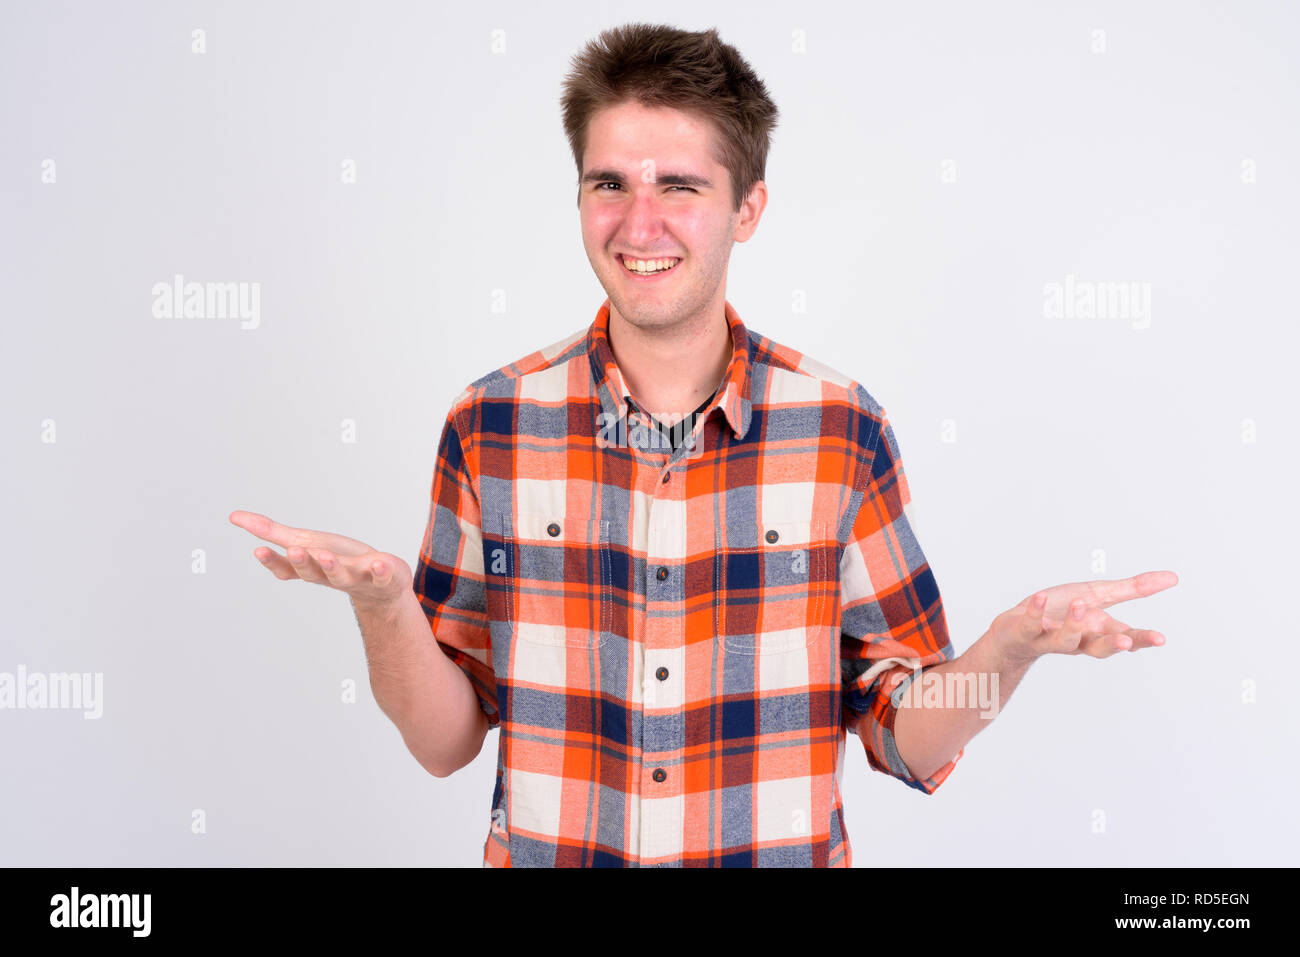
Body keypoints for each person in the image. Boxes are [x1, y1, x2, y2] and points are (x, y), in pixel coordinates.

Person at [230, 23, 1177, 867]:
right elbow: (444, 742)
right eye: (611, 183)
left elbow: (906, 739)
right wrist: (387, 608)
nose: (639, 224)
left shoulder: (844, 427)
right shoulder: (490, 421)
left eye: (679, 185)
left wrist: (1009, 649)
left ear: (748, 209)